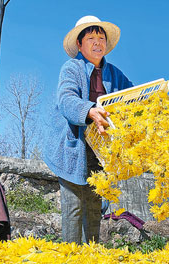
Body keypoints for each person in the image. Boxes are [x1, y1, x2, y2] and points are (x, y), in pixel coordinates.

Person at [43, 15, 134, 244]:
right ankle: (71, 261)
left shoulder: (114, 74)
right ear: (80, 45)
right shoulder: (71, 69)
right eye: (91, 37)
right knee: (74, 206)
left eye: (101, 38)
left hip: (99, 149)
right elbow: (66, 99)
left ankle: (91, 259)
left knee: (95, 207)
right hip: (73, 147)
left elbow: (131, 98)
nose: (97, 42)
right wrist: (89, 110)